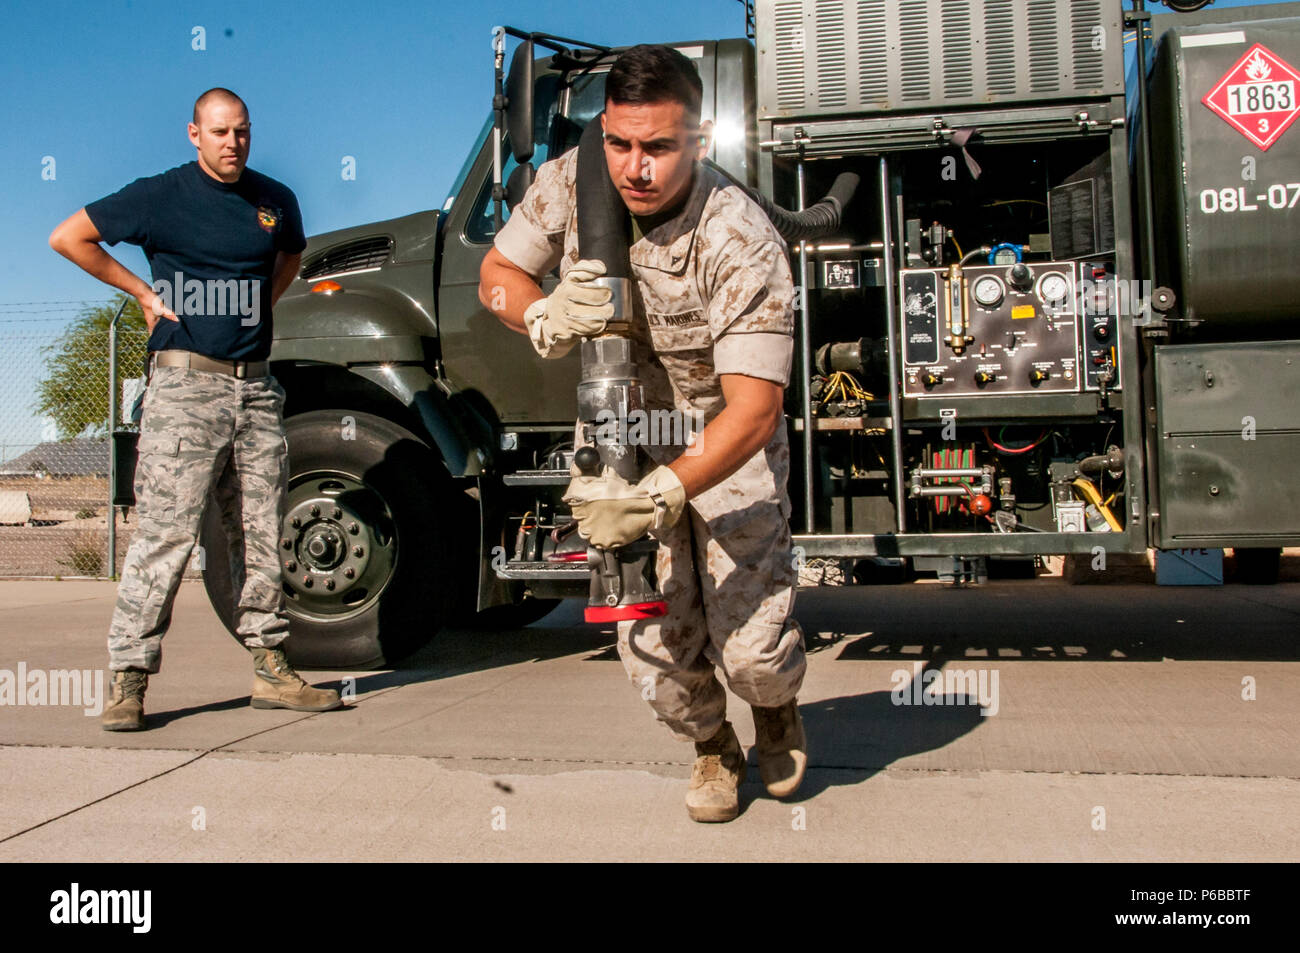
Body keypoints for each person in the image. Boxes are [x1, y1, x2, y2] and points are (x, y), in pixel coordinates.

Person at [479, 46, 807, 822]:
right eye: (620, 143)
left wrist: (667, 490)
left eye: (659, 147)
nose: (635, 167)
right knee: (647, 633)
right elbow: (498, 270)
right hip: (621, 433)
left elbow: (754, 409)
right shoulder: (571, 180)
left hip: (722, 439)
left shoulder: (739, 232)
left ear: (698, 140)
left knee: (753, 642)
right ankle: (712, 746)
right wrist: (539, 310)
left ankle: (772, 707)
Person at [49, 87, 341, 730]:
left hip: (258, 390)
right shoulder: (158, 196)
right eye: (218, 132)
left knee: (262, 532)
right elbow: (69, 237)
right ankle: (128, 678)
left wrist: (261, 302)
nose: (231, 143)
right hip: (185, 390)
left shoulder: (274, 201)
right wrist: (141, 295)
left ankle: (271, 668)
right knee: (165, 536)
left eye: (241, 131)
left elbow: (289, 255)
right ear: (193, 134)